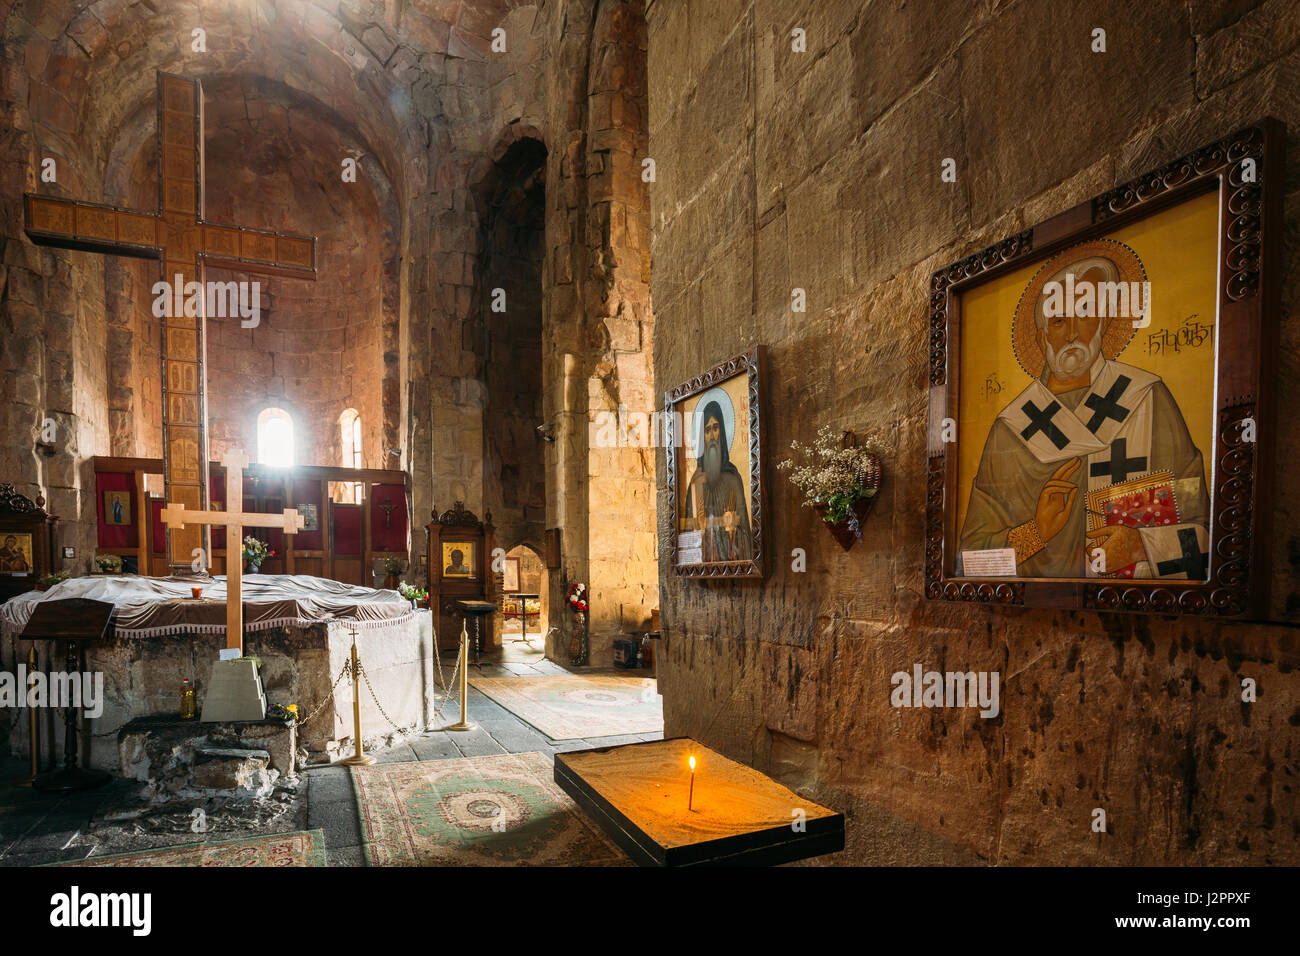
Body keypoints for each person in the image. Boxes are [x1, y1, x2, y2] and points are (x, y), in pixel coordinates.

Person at [959, 247, 1209, 580]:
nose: (1073, 333)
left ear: (1104, 323)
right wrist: (1036, 533)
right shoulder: (1011, 428)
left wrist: (1139, 546)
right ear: (1041, 336)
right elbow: (968, 563)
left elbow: (1209, 539)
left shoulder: (1147, 397)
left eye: (1085, 312)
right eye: (1059, 320)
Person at [684, 399, 753, 562]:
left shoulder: (732, 479)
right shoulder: (695, 484)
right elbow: (687, 534)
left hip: (731, 559)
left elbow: (746, 534)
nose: (712, 435)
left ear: (721, 431)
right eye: (707, 430)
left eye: (715, 428)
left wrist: (732, 525)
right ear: (703, 437)